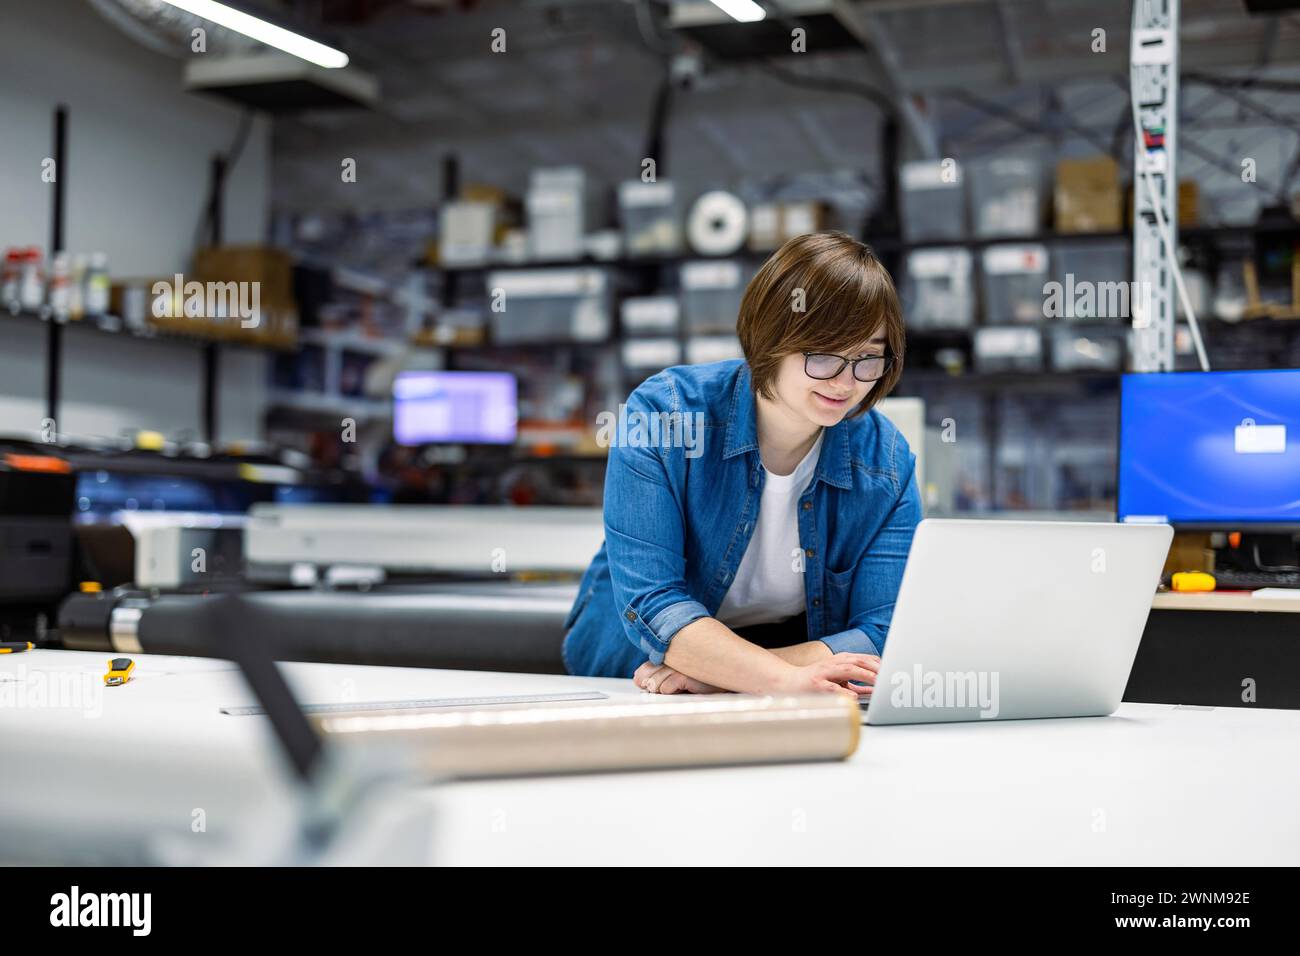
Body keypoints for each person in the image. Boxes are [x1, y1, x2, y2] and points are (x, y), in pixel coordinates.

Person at [562, 231, 921, 700]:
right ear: (770, 339)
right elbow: (654, 604)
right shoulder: (663, 415)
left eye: (867, 358)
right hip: (638, 673)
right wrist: (777, 678)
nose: (847, 382)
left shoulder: (886, 461)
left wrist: (722, 676)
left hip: (772, 678)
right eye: (824, 356)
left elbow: (884, 630)